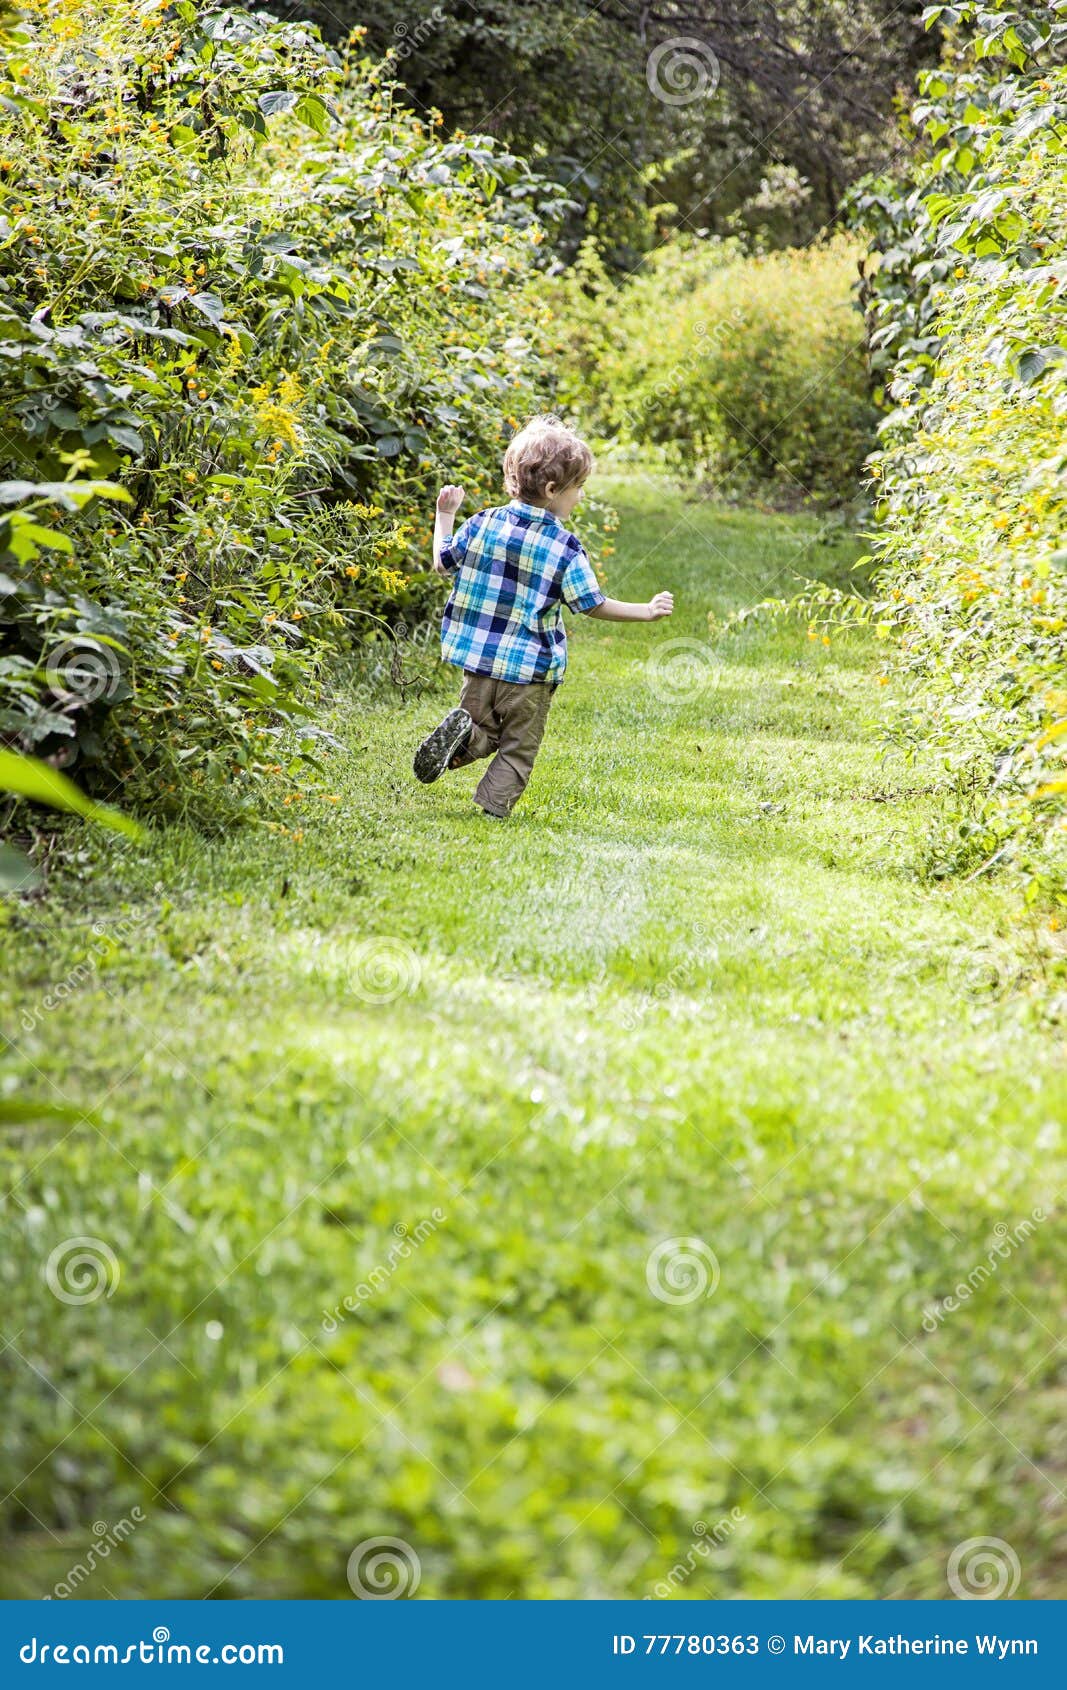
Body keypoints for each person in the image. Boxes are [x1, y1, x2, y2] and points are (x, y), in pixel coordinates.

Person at [413, 415, 674, 818]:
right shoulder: (564, 547)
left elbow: (443, 563)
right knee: (517, 747)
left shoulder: (483, 523)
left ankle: (464, 736)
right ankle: (493, 810)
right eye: (578, 488)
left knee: (482, 729)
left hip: (477, 665)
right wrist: (645, 611)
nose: (581, 497)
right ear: (553, 490)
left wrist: (445, 514)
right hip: (530, 674)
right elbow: (591, 603)